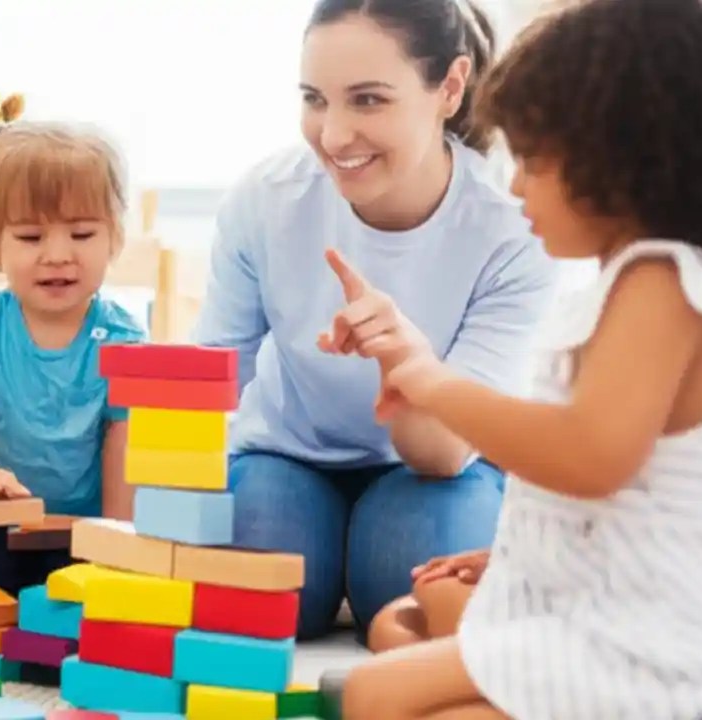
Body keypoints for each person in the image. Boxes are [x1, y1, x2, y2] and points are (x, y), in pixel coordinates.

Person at [341, 0, 702, 716]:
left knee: (372, 692)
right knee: (407, 619)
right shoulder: (630, 283)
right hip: (612, 604)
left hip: (654, 646)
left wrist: (435, 384)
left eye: (535, 162)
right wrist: (518, 558)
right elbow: (626, 495)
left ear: (624, 160)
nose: (515, 186)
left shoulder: (659, 282)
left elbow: (589, 455)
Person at [193, 0, 557, 643]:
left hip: (434, 468)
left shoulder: (510, 227)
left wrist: (404, 360)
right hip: (285, 455)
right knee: (265, 601)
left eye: (368, 100)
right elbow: (210, 386)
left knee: (413, 589)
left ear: (450, 87)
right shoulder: (265, 200)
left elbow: (444, 451)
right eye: (315, 99)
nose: (334, 136)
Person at [0, 93, 146, 613]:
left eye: (82, 233)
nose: (57, 255)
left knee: (101, 595)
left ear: (114, 237)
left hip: (82, 525)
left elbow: (123, 442)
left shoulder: (122, 335)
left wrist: (117, 538)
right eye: (31, 236)